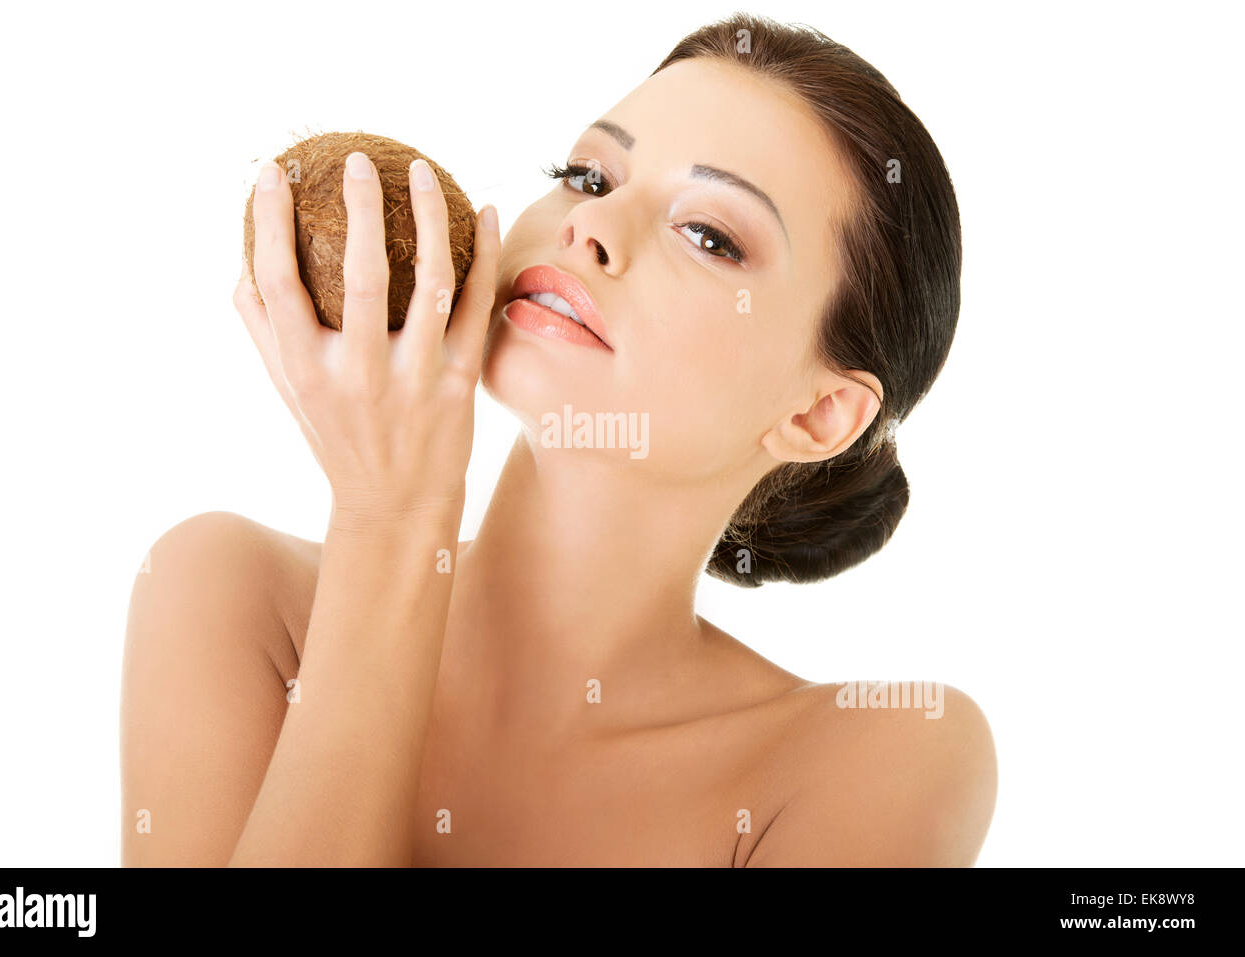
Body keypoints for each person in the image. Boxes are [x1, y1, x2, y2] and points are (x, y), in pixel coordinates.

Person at [121, 12, 995, 866]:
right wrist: (391, 521)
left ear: (820, 414)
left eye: (709, 235)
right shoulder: (233, 595)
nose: (592, 227)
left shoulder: (875, 753)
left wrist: (394, 518)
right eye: (588, 176)